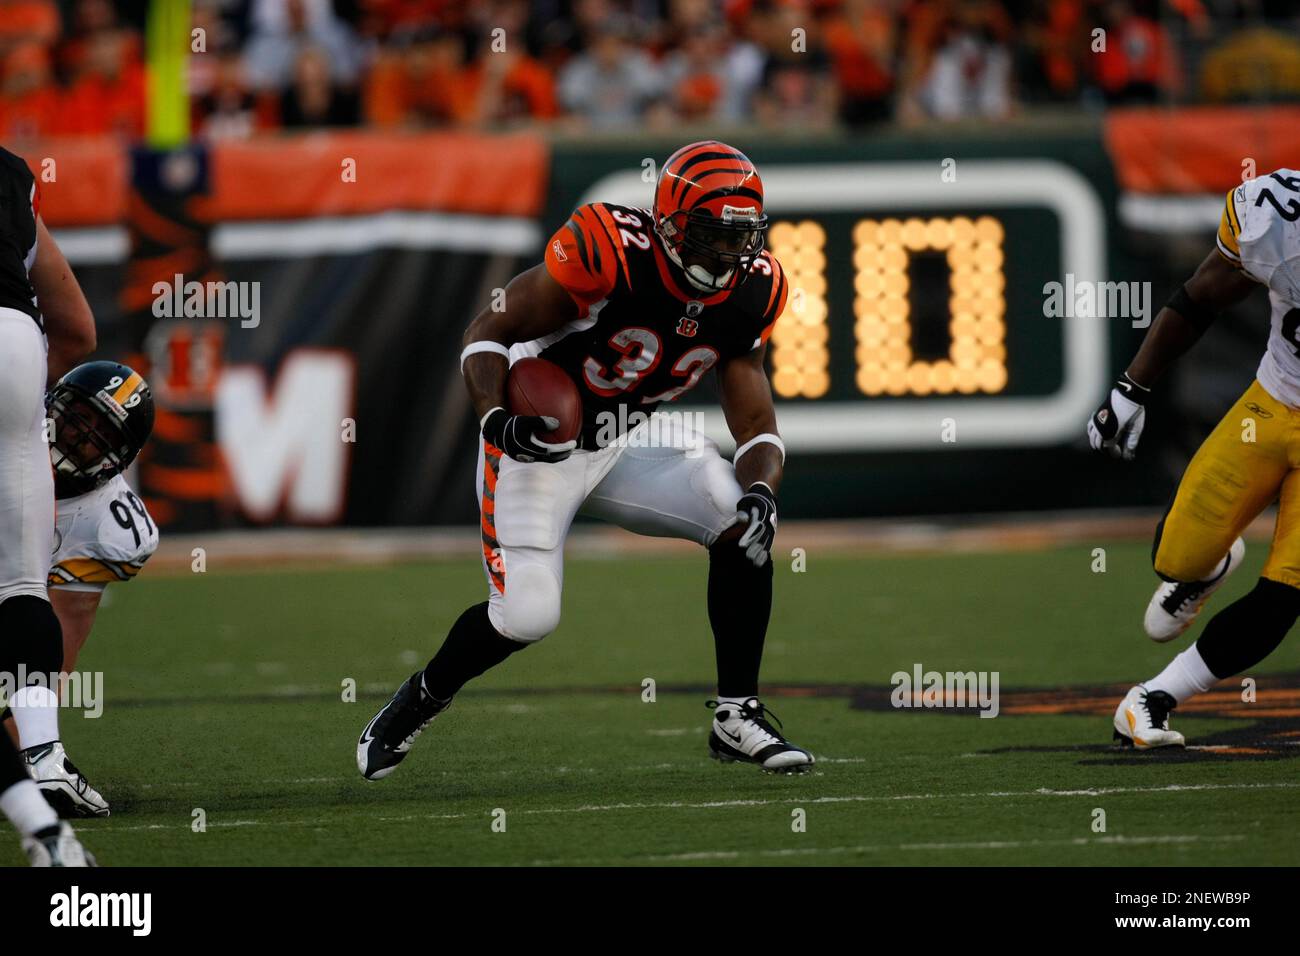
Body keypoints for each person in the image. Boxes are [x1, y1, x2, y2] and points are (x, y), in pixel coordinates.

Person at [358, 141, 814, 777]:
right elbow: (486, 332)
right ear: (672, 225)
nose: (729, 253)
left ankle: (737, 714)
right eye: (713, 234)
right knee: (526, 615)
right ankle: (419, 700)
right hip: (541, 442)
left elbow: (756, 421)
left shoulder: (755, 288)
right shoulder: (609, 251)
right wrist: (497, 418)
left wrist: (763, 490)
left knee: (743, 526)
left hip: (629, 437)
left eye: (742, 236)